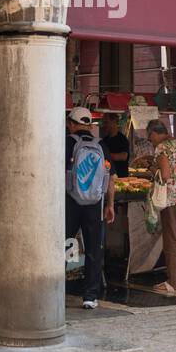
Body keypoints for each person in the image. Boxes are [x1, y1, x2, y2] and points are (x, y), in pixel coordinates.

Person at [66, 106, 115, 309]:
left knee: (64, 244)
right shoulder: (101, 145)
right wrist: (110, 204)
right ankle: (90, 296)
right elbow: (110, 177)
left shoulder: (68, 142)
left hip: (70, 201)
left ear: (71, 124)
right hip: (95, 203)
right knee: (94, 248)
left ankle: (56, 288)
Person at [145, 119, 176, 294]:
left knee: (171, 241)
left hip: (172, 199)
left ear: (154, 133)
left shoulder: (161, 148)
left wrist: (153, 170)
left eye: (150, 139)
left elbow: (164, 175)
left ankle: (174, 283)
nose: (151, 142)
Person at [100, 113, 131, 178]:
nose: (104, 125)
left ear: (114, 122)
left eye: (106, 122)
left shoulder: (122, 139)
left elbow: (123, 156)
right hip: (107, 176)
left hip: (121, 177)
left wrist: (105, 155)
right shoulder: (105, 140)